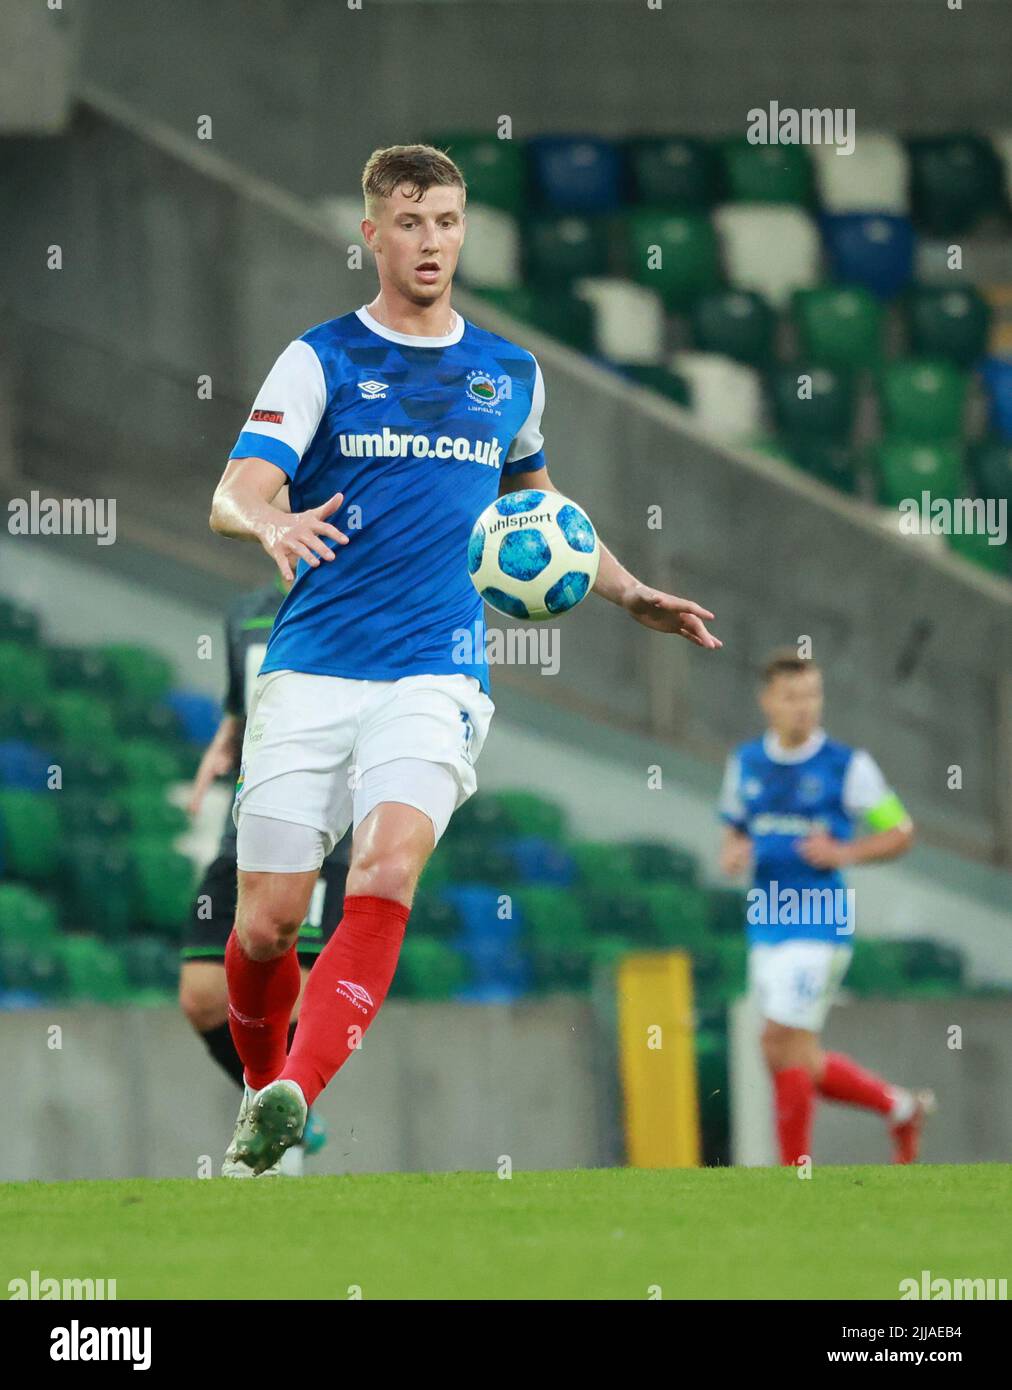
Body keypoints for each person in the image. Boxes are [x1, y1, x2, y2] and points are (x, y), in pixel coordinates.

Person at [209, 142, 722, 1175]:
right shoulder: (319, 360)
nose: (429, 240)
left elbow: (542, 520)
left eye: (445, 220)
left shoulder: (509, 375)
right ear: (372, 236)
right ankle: (267, 1110)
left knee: (387, 871)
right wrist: (265, 527)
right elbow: (233, 491)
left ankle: (293, 1094)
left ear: (462, 229)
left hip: (436, 671)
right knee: (265, 926)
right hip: (310, 664)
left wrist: (627, 593)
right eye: (408, 222)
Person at [718, 649, 933, 1166]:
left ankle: (795, 1171)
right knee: (788, 1053)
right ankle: (899, 1107)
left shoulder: (847, 766)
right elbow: (734, 826)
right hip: (766, 925)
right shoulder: (746, 763)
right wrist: (732, 850)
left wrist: (844, 852)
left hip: (818, 923)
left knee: (776, 1039)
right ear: (768, 700)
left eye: (812, 695)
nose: (804, 707)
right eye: (792, 696)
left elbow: (901, 832)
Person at [178, 575, 349, 1175]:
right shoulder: (245, 614)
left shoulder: (356, 591)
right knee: (201, 994)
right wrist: (219, 753)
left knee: (290, 982)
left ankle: (282, 1137)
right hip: (247, 820)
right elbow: (242, 708)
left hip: (326, 822)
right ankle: (283, 1110)